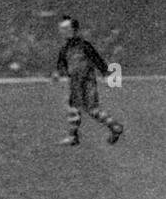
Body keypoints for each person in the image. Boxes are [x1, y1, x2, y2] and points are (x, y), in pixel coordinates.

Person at [52, 16, 124, 146]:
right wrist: (57, 73)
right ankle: (114, 126)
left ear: (74, 30)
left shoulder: (83, 45)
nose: (62, 31)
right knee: (81, 107)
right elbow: (61, 64)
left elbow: (96, 59)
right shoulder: (65, 48)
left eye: (65, 28)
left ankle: (74, 136)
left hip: (85, 81)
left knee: (84, 108)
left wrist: (106, 73)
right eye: (61, 28)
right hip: (76, 81)